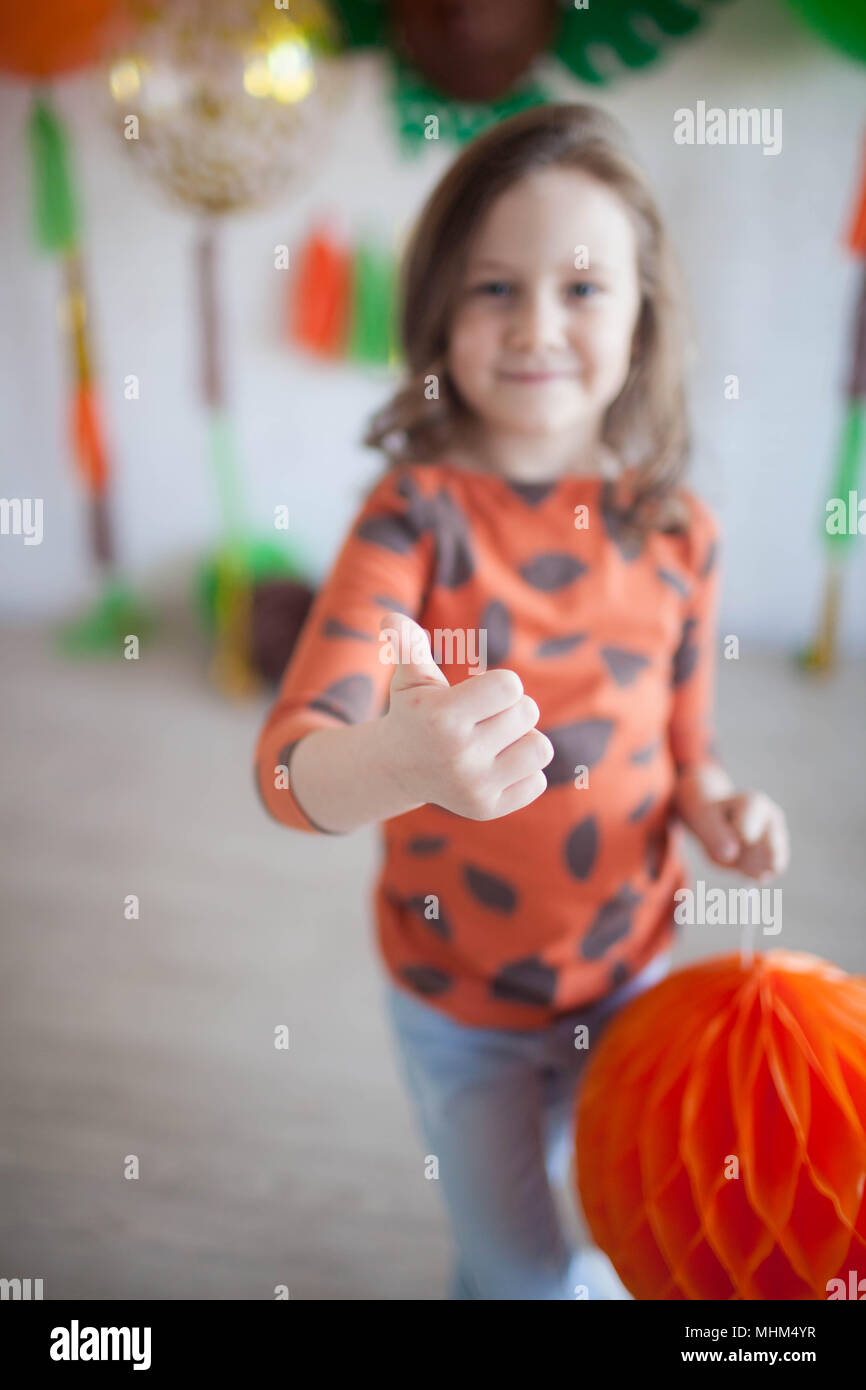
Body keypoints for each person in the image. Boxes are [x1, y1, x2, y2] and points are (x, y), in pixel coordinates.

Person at [253, 103, 789, 1300]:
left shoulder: (677, 532)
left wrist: (721, 809)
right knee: (517, 1269)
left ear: (644, 314)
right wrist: (398, 762)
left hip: (636, 983)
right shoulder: (409, 523)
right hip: (463, 1010)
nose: (537, 326)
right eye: (495, 287)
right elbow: (288, 770)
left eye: (582, 288)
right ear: (441, 305)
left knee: (622, 1232)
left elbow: (688, 751)